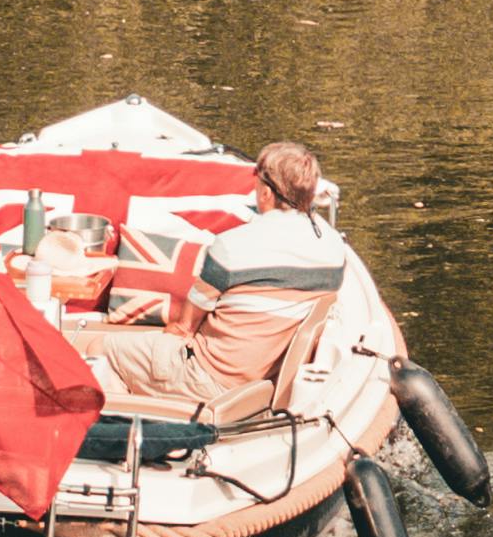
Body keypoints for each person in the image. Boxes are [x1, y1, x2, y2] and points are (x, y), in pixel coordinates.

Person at [79, 141, 343, 414]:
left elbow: (184, 327)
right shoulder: (333, 248)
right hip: (263, 381)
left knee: (100, 348)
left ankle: (134, 426)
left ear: (265, 192)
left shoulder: (233, 245)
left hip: (209, 377)